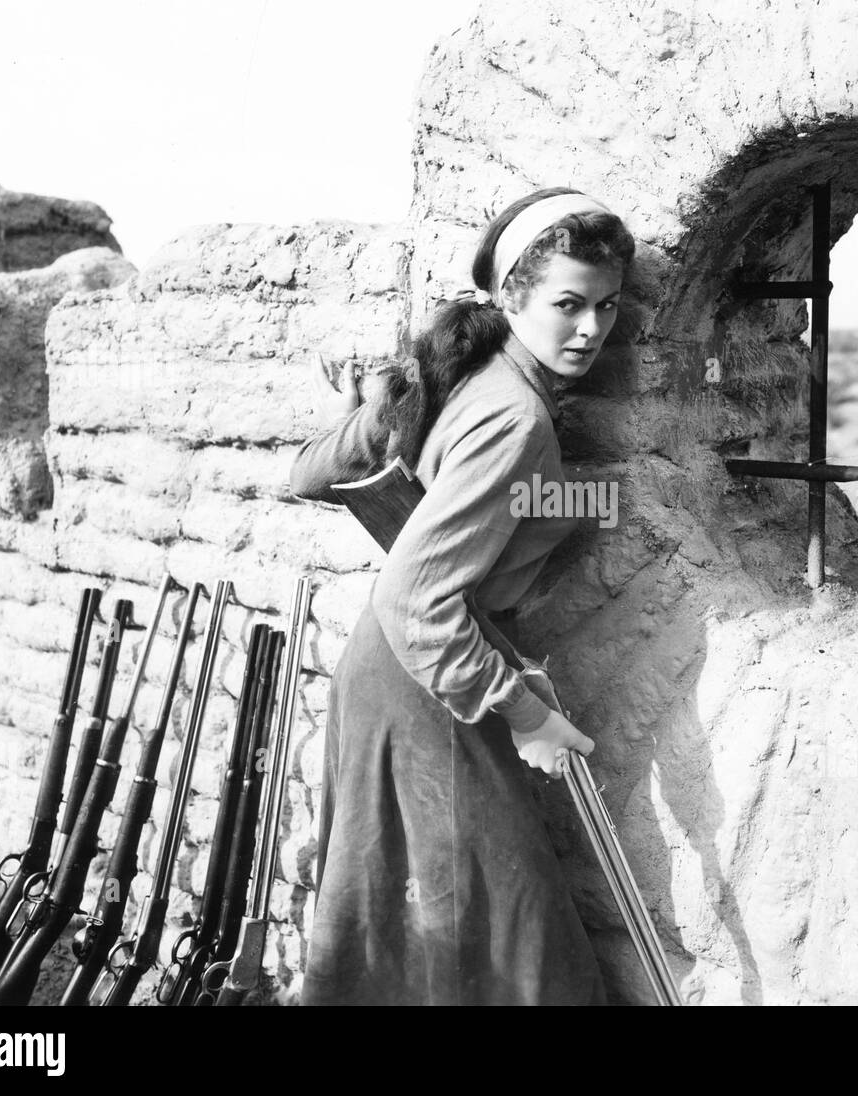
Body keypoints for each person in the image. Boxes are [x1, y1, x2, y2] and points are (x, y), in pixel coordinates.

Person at [290, 187, 636, 1005]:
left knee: (427, 932)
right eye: (568, 305)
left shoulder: (459, 371)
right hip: (430, 683)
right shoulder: (515, 415)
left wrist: (605, 498)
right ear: (513, 295)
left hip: (394, 676)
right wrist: (528, 715)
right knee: (502, 940)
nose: (591, 330)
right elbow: (416, 599)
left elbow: (309, 472)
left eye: (608, 306)